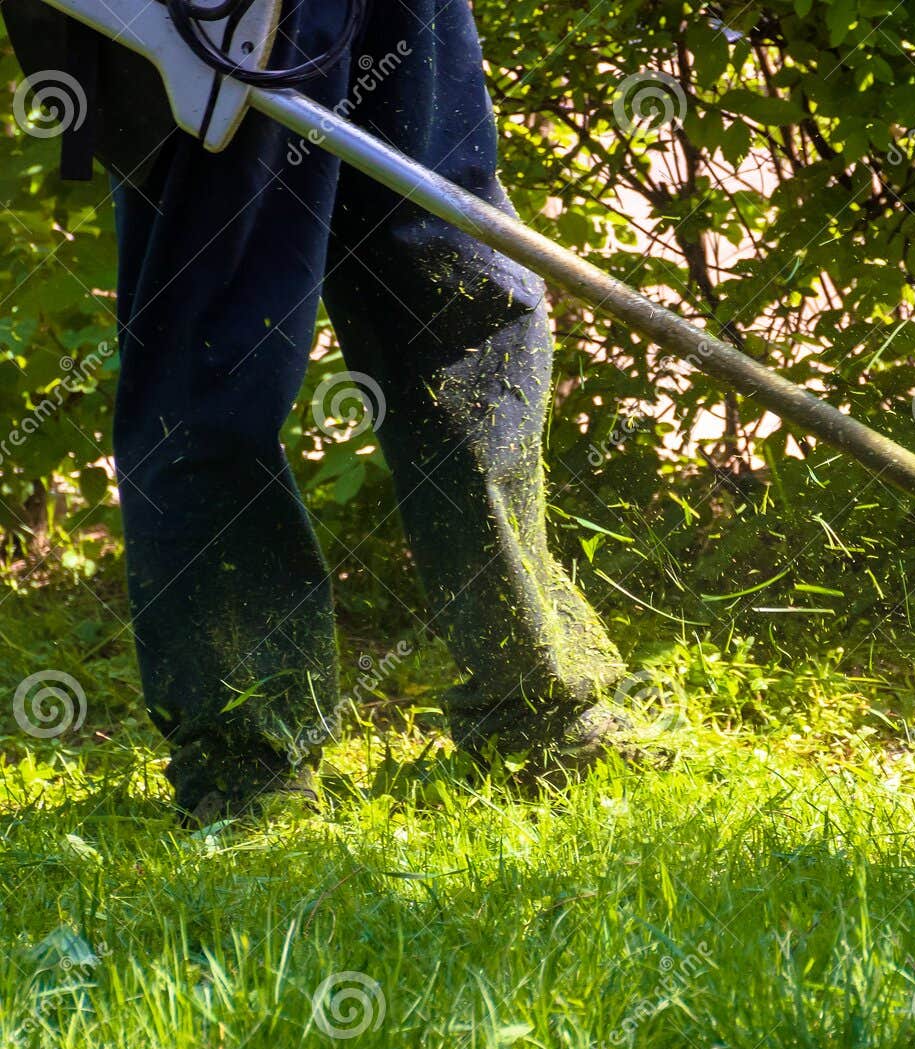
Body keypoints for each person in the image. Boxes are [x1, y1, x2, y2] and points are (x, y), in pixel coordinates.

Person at [8, 0, 631, 823]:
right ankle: (248, 753)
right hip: (216, 13)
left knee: (463, 302)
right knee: (211, 345)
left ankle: (540, 697)